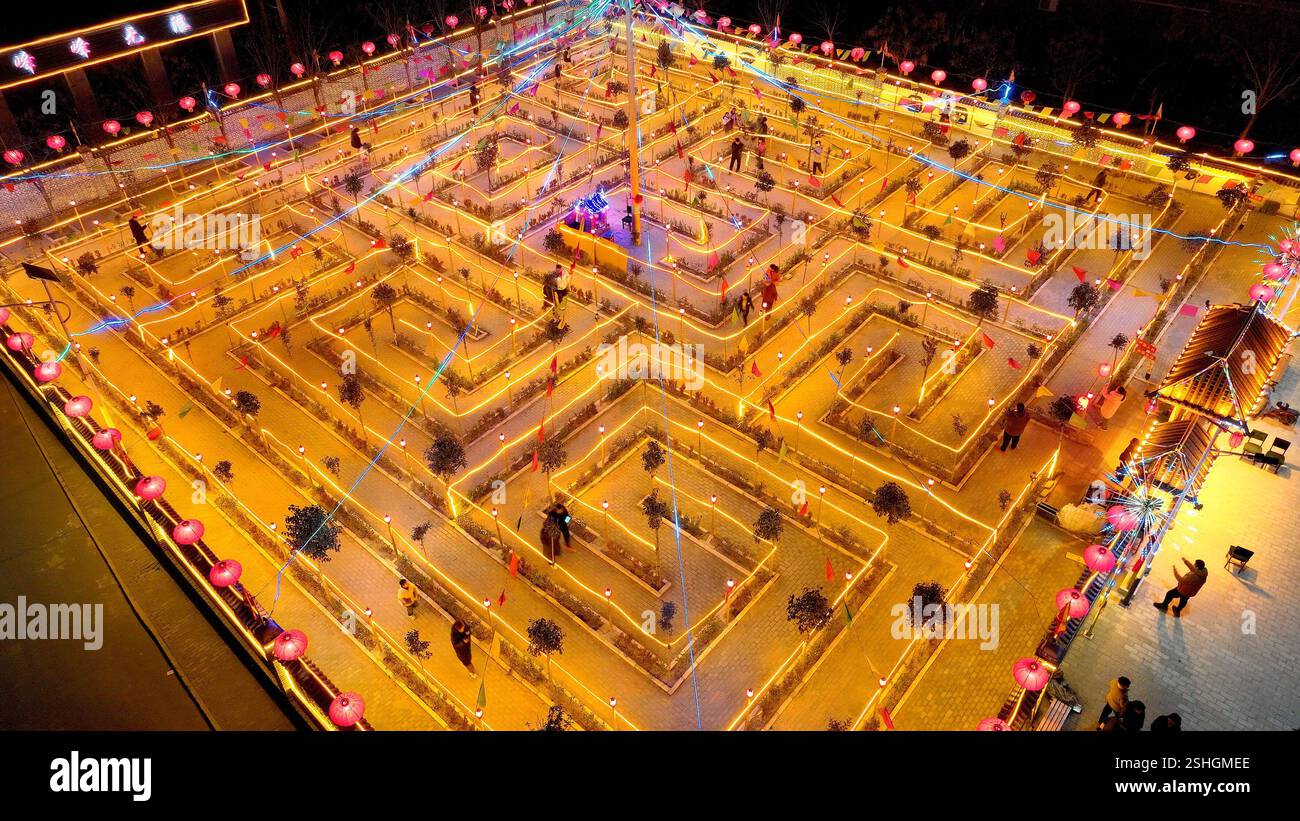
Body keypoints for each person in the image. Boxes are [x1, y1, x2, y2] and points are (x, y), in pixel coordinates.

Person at [552, 264, 570, 329]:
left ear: (561, 269)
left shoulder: (565, 273)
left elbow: (568, 279)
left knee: (564, 299)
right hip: (559, 289)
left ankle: (562, 309)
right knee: (560, 298)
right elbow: (553, 281)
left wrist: (568, 286)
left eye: (558, 270)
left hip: (564, 288)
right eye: (556, 270)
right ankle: (560, 309)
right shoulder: (554, 274)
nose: (557, 271)